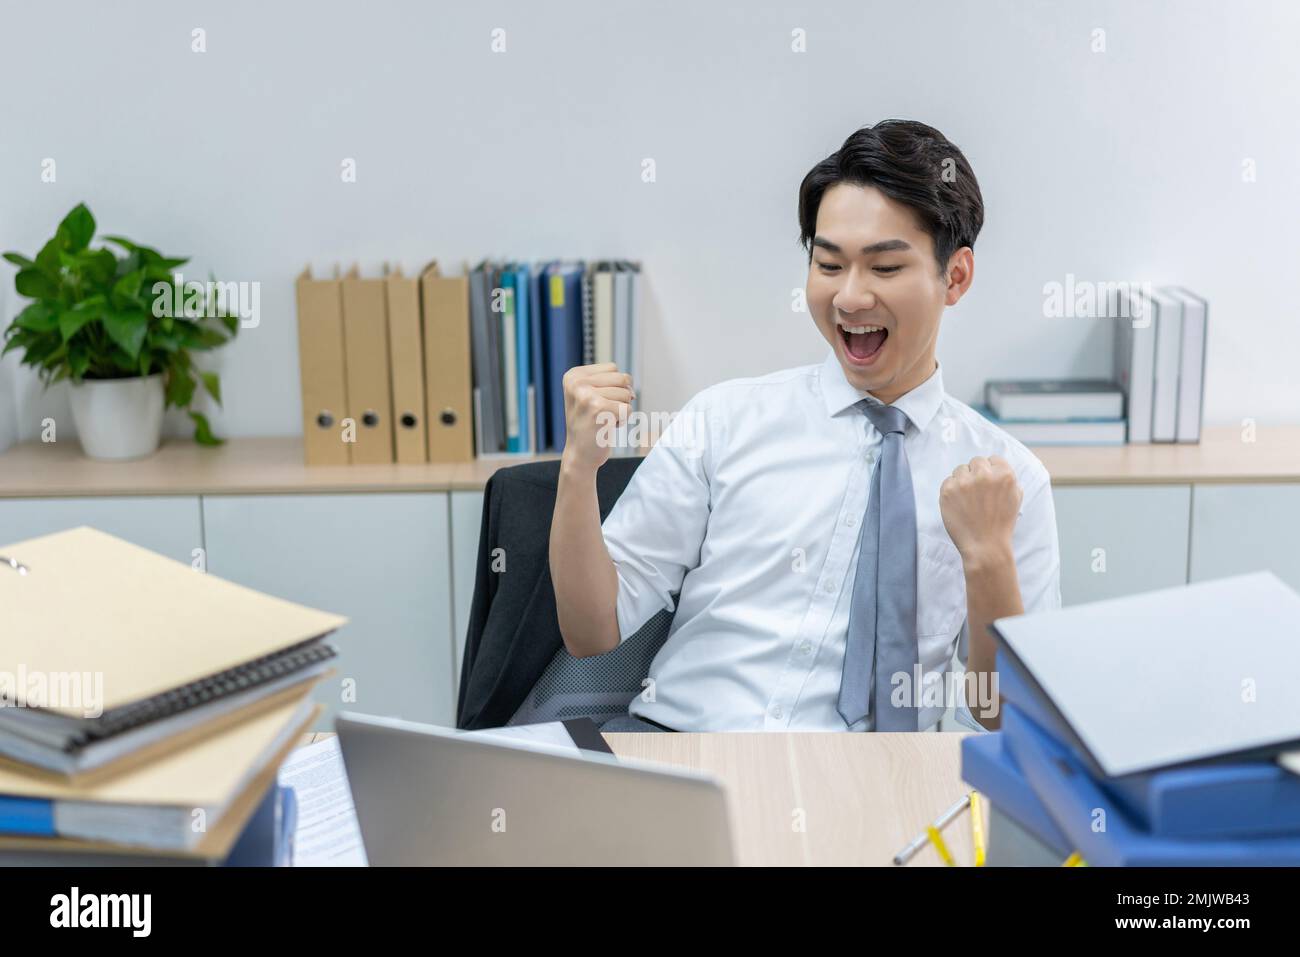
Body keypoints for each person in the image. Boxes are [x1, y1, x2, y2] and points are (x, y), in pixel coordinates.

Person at [549, 119, 1061, 734]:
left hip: (873, 790)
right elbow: (590, 631)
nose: (849, 297)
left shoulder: (1010, 481)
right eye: (828, 264)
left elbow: (1010, 719)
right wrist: (578, 470)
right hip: (688, 753)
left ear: (955, 277)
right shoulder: (725, 420)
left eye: (885, 269)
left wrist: (987, 559)